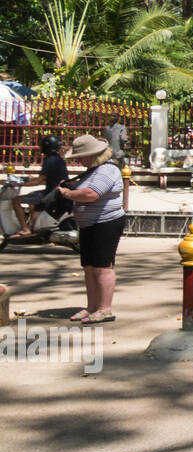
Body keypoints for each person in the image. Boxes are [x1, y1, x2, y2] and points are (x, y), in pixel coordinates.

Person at [59, 135, 126, 324]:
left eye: (82, 157)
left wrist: (68, 194)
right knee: (89, 267)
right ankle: (92, 307)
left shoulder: (107, 170)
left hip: (105, 223)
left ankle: (105, 309)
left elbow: (91, 194)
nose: (79, 161)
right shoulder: (93, 170)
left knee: (102, 267)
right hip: (89, 224)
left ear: (93, 154)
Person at [12, 134, 69, 236]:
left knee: (15, 199)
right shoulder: (58, 160)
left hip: (50, 194)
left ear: (47, 147)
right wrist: (30, 179)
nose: (40, 148)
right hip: (55, 193)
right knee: (32, 197)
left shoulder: (49, 161)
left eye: (41, 146)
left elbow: (39, 181)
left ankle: (25, 229)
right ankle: (33, 226)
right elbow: (45, 178)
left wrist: (21, 183)